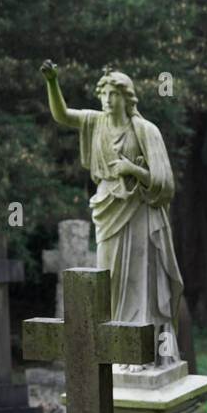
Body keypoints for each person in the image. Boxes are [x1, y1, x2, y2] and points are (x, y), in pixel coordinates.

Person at [40, 60, 183, 367]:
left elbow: (165, 183)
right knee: (111, 278)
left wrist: (132, 169)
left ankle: (144, 352)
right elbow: (62, 115)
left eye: (113, 94)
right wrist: (52, 82)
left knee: (140, 281)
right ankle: (117, 348)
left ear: (126, 97)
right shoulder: (95, 123)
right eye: (103, 93)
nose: (106, 99)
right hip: (108, 209)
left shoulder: (145, 130)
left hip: (140, 212)